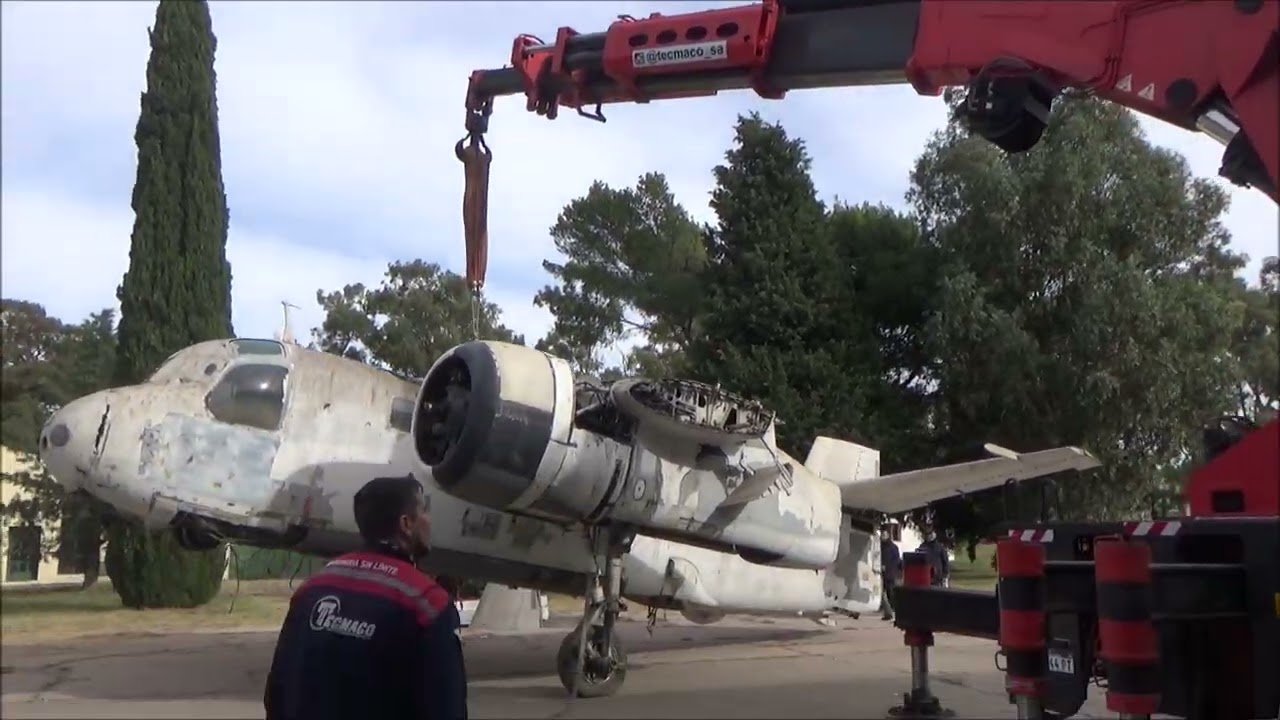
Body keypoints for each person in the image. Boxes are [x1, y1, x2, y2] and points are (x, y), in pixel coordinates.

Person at [264, 475, 468, 720]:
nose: (429, 520)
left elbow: (277, 692)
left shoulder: (311, 590)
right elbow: (446, 709)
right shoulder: (426, 604)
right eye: (423, 510)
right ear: (406, 524)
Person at [879, 525, 902, 621]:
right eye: (882, 535)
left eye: (884, 535)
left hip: (890, 573)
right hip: (881, 573)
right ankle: (888, 611)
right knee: (882, 592)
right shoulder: (879, 546)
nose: (883, 536)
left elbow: (896, 561)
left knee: (890, 593)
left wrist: (888, 568)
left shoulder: (893, 547)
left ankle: (893, 610)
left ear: (888, 535)